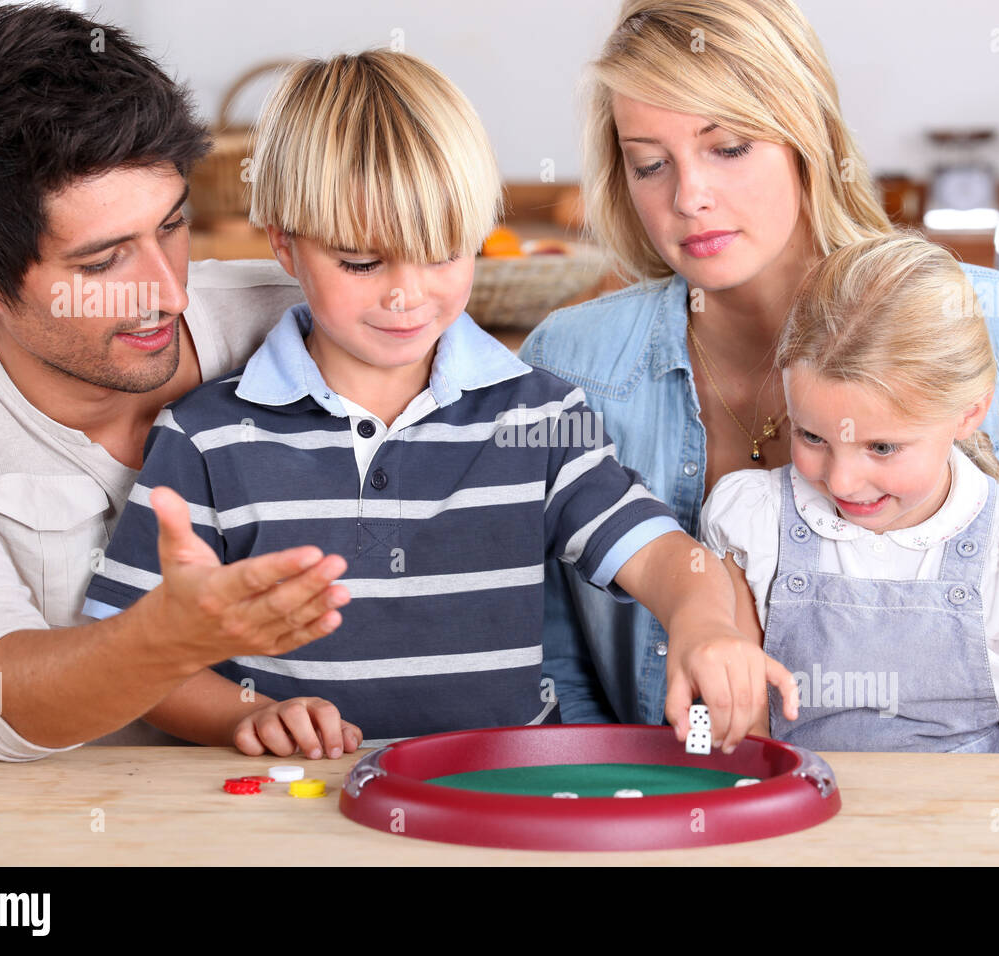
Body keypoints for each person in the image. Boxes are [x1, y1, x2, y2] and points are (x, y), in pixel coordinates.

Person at [518, 0, 999, 755]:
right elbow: (553, 670)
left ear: (807, 137)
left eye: (730, 147)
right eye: (650, 163)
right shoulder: (567, 368)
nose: (689, 197)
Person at [81, 50, 796, 758]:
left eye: (443, 253)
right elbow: (128, 656)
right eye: (361, 262)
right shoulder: (208, 437)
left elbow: (667, 556)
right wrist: (247, 716)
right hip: (299, 808)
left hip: (500, 802)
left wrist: (705, 624)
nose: (406, 296)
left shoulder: (536, 420)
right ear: (286, 247)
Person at [0, 4, 369, 760]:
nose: (171, 294)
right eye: (101, 262)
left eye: (173, 226)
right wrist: (166, 639)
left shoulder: (302, 316)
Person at [702, 234, 999, 753]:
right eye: (812, 436)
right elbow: (736, 744)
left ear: (968, 413)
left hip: (980, 828)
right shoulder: (750, 523)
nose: (841, 482)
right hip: (807, 826)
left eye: (883, 447)